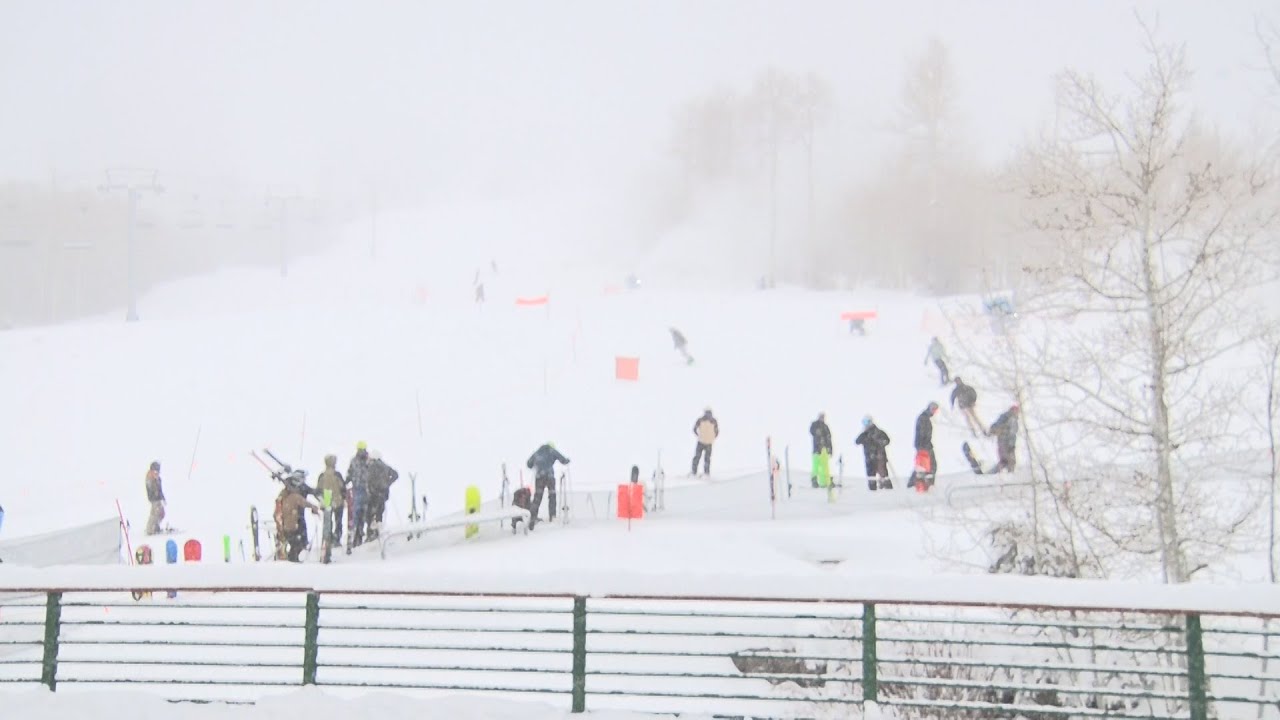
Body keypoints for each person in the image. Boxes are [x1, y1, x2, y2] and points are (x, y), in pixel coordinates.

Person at [526, 442, 570, 530]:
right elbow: (561, 458)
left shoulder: (537, 452)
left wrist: (535, 465)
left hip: (539, 477)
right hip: (549, 476)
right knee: (552, 495)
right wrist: (566, 461)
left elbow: (529, 464)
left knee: (537, 498)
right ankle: (552, 516)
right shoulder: (551, 450)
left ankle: (533, 517)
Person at [275, 475, 319, 563]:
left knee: (293, 543)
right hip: (292, 526)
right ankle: (293, 561)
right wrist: (315, 508)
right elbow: (305, 503)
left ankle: (290, 558)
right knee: (298, 545)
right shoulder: (295, 496)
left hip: (283, 525)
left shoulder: (282, 495)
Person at [366, 450, 399, 540]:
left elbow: (368, 479)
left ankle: (371, 534)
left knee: (370, 514)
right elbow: (395, 475)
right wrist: (387, 483)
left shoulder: (371, 467)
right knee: (380, 513)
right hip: (383, 494)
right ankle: (378, 533)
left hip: (373, 494)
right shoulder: (385, 466)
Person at [315, 454, 346, 546]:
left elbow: (318, 490)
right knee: (338, 520)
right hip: (337, 499)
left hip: (327, 499)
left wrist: (322, 499)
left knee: (328, 521)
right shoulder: (337, 475)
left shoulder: (322, 475)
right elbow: (343, 487)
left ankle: (327, 538)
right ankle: (337, 538)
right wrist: (343, 497)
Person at [347, 441, 373, 548]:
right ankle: (356, 535)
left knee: (366, 513)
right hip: (357, 490)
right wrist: (346, 481)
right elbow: (350, 473)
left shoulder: (369, 461)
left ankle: (365, 533)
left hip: (367, 490)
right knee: (357, 513)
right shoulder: (354, 461)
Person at [855, 416, 892, 491]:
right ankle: (872, 491)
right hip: (869, 458)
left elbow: (887, 440)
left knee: (883, 474)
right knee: (871, 477)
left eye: (867, 422)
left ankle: (888, 489)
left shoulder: (879, 432)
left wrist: (880, 442)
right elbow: (857, 441)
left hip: (879, 457)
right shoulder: (864, 434)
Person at [910, 402, 939, 490]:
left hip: (924, 445)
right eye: (933, 409)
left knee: (924, 465)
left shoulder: (925, 418)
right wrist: (924, 445)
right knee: (927, 466)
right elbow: (923, 433)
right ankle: (923, 484)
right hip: (923, 446)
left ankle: (919, 483)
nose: (934, 412)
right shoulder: (923, 418)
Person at [987, 404, 1020, 474]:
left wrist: (992, 431)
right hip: (1007, 443)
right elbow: (1012, 434)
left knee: (1003, 461)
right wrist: (1012, 445)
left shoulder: (1003, 416)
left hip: (1000, 441)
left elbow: (994, 426)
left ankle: (992, 474)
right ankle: (1011, 476)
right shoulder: (1012, 419)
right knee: (1011, 461)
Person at [691, 408, 719, 477]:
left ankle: (694, 472)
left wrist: (698, 435)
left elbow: (694, 429)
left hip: (701, 441)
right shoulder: (714, 421)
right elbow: (717, 431)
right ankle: (706, 473)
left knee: (697, 457)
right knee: (707, 458)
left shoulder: (700, 420)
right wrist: (712, 438)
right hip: (709, 442)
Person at [809, 412, 833, 488]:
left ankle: (825, 481)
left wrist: (830, 449)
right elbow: (812, 431)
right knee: (816, 465)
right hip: (817, 449)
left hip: (824, 450)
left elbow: (829, 439)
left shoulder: (825, 427)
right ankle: (814, 480)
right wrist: (817, 433)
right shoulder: (815, 425)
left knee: (825, 466)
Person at [144, 461, 166, 535]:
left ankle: (155, 527)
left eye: (158, 471)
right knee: (155, 514)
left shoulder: (158, 478)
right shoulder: (149, 479)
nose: (157, 473)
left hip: (159, 498)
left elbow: (160, 489)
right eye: (155, 471)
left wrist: (163, 497)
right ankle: (150, 529)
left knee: (161, 514)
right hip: (154, 499)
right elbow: (151, 490)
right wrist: (155, 495)